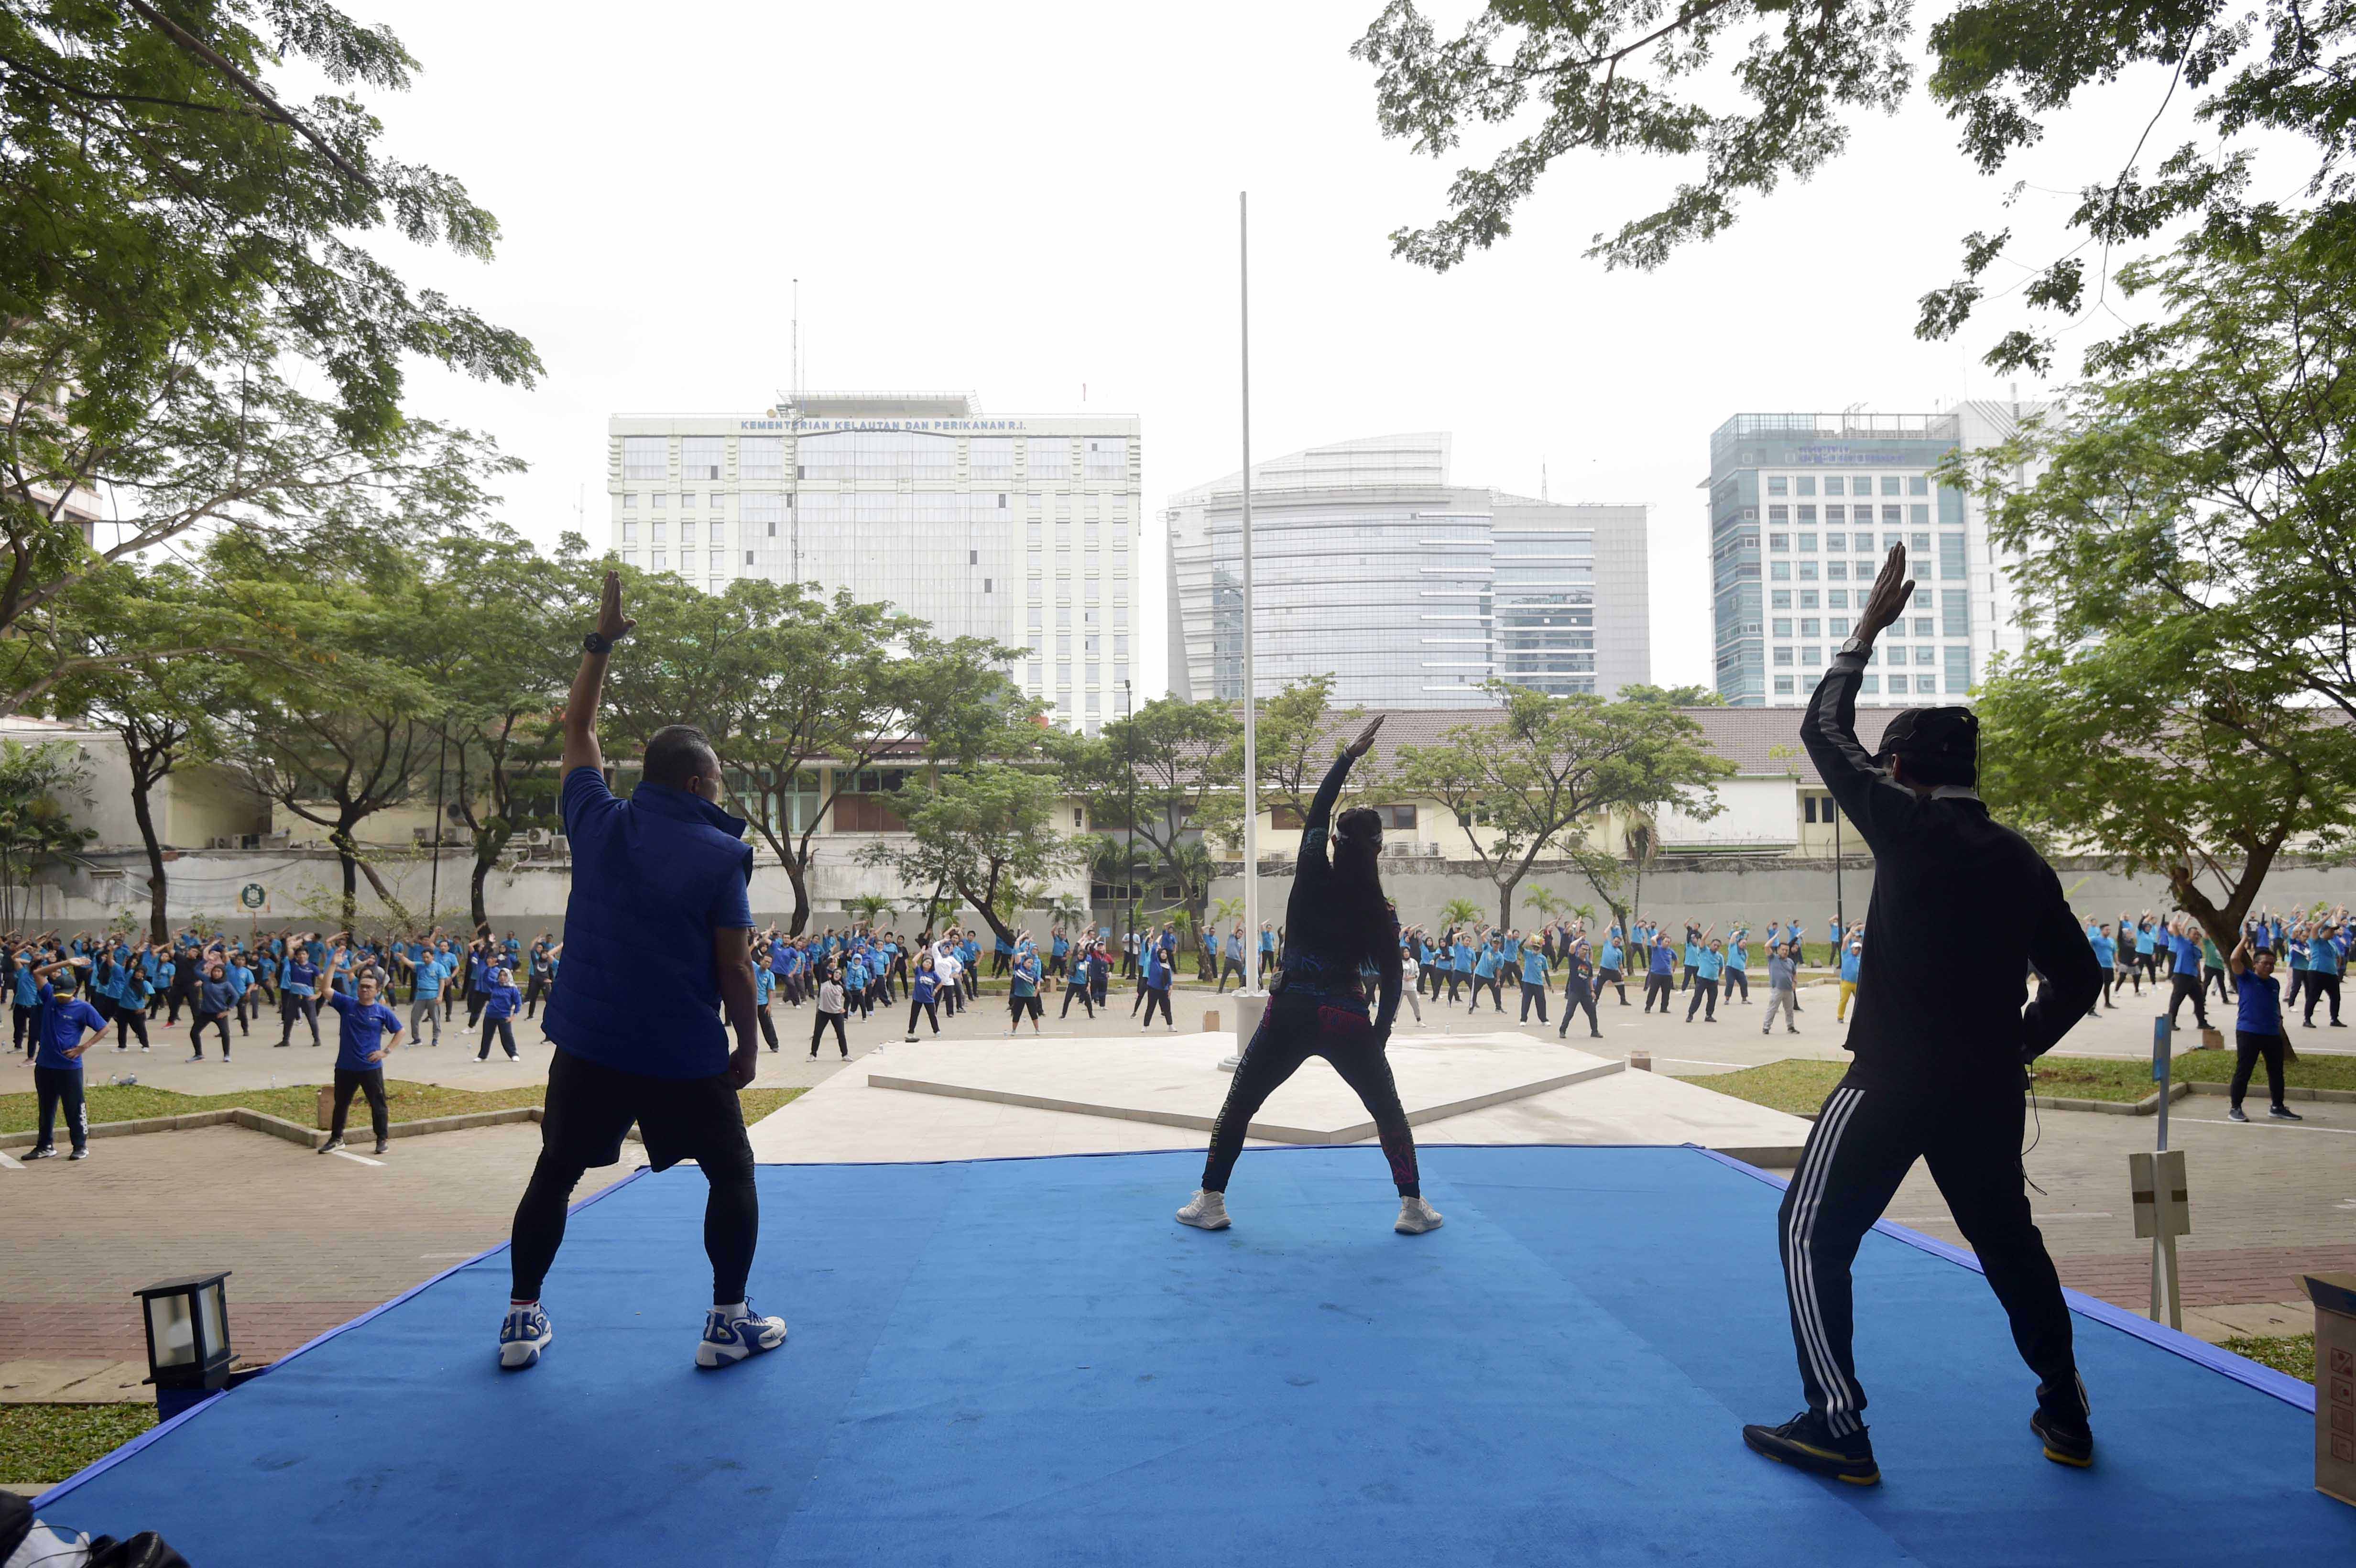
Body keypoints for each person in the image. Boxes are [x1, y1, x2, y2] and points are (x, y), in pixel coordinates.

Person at [1745, 544, 2104, 1487]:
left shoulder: (1906, 825)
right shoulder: (2022, 860)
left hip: (1894, 1077)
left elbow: (1824, 732)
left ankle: (1837, 1423)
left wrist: (1862, 634)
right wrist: (2013, 1045)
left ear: (1899, 768)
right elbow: (2081, 977)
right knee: (2009, 1247)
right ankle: (2065, 1410)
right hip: (1987, 1090)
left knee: (1807, 1228)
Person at [499, 571, 782, 1376]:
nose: (721, 786)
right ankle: (728, 1322)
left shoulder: (595, 821)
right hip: (679, 1052)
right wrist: (747, 1045)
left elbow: (579, 727)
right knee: (729, 1171)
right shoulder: (722, 854)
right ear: (698, 784)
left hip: (589, 1043)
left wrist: (600, 643)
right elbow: (732, 966)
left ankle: (522, 1319)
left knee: (555, 1170)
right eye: (718, 776)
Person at [1176, 717, 1441, 1237]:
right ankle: (1411, 1206)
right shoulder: (1377, 908)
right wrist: (1378, 1037)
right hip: (1345, 1016)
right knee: (1387, 1110)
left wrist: (1348, 756)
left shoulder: (1311, 875)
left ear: (1333, 843)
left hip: (1290, 1010)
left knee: (1240, 1103)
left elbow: (1319, 807)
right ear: (1379, 849)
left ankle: (1210, 1201)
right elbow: (1390, 975)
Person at [318, 942, 403, 1156]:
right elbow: (325, 989)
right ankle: (337, 1138)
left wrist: (386, 1052)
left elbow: (400, 1031)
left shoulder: (382, 1012)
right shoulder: (347, 1004)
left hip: (370, 1067)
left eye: (369, 987)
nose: (364, 990)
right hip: (345, 1066)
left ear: (376, 991)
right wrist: (333, 964)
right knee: (341, 1104)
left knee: (378, 1104)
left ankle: (382, 1139)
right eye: (362, 986)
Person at [25, 957, 105, 1160]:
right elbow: (38, 973)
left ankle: (80, 1146)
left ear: (75, 991)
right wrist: (68, 962)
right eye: (58, 995)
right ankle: (45, 1146)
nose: (61, 999)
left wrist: (83, 1048)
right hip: (45, 1066)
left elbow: (104, 1028)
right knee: (46, 1108)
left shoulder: (84, 1008)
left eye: (65, 996)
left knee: (74, 1107)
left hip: (69, 1068)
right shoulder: (50, 999)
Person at [2224, 936, 2300, 1123]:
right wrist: (2243, 941)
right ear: (2255, 965)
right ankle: (2235, 1108)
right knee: (2244, 1070)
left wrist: (2279, 1020)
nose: (2269, 967)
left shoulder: (2274, 983)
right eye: (2265, 963)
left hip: (2271, 1034)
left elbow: (2275, 1005)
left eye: (2272, 964)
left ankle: (2278, 1107)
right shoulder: (2246, 977)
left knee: (2276, 1071)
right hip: (2248, 1032)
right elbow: (2234, 959)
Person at [2163, 916, 2211, 1031]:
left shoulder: (2197, 949)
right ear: (2188, 935)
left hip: (2193, 978)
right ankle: (2171, 1023)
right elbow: (2175, 927)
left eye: (2198, 935)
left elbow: (2197, 963)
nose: (2197, 936)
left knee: (2199, 1000)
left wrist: (2199, 976)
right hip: (2181, 976)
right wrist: (2177, 919)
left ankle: (2202, 1022)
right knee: (2177, 1000)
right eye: (2194, 934)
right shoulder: (2182, 942)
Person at [191, 960, 236, 1062]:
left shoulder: (226, 984)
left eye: (219, 972)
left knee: (225, 1034)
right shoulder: (207, 980)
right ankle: (199, 1055)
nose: (216, 973)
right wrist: (206, 959)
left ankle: (227, 1055)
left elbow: (235, 996)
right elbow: (196, 970)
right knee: (194, 1033)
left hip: (220, 1013)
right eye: (215, 971)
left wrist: (228, 1010)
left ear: (223, 973)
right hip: (206, 1013)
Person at [478, 965, 523, 1061]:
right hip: (490, 1015)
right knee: (487, 1036)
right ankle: (482, 1056)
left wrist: (513, 1016)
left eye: (505, 975)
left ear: (509, 977)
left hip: (504, 1016)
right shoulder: (495, 984)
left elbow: (518, 1003)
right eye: (501, 975)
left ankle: (513, 1054)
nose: (502, 977)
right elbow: (485, 978)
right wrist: (489, 968)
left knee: (507, 1036)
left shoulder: (513, 989)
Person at [809, 964, 848, 1059]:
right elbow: (822, 965)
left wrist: (845, 1009)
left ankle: (845, 1055)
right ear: (832, 974)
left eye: (840, 974)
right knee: (817, 1034)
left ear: (841, 977)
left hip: (837, 1014)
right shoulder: (825, 982)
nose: (837, 975)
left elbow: (849, 998)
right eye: (836, 972)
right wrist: (831, 957)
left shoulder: (841, 987)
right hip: (823, 1012)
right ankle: (813, 1054)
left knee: (841, 1034)